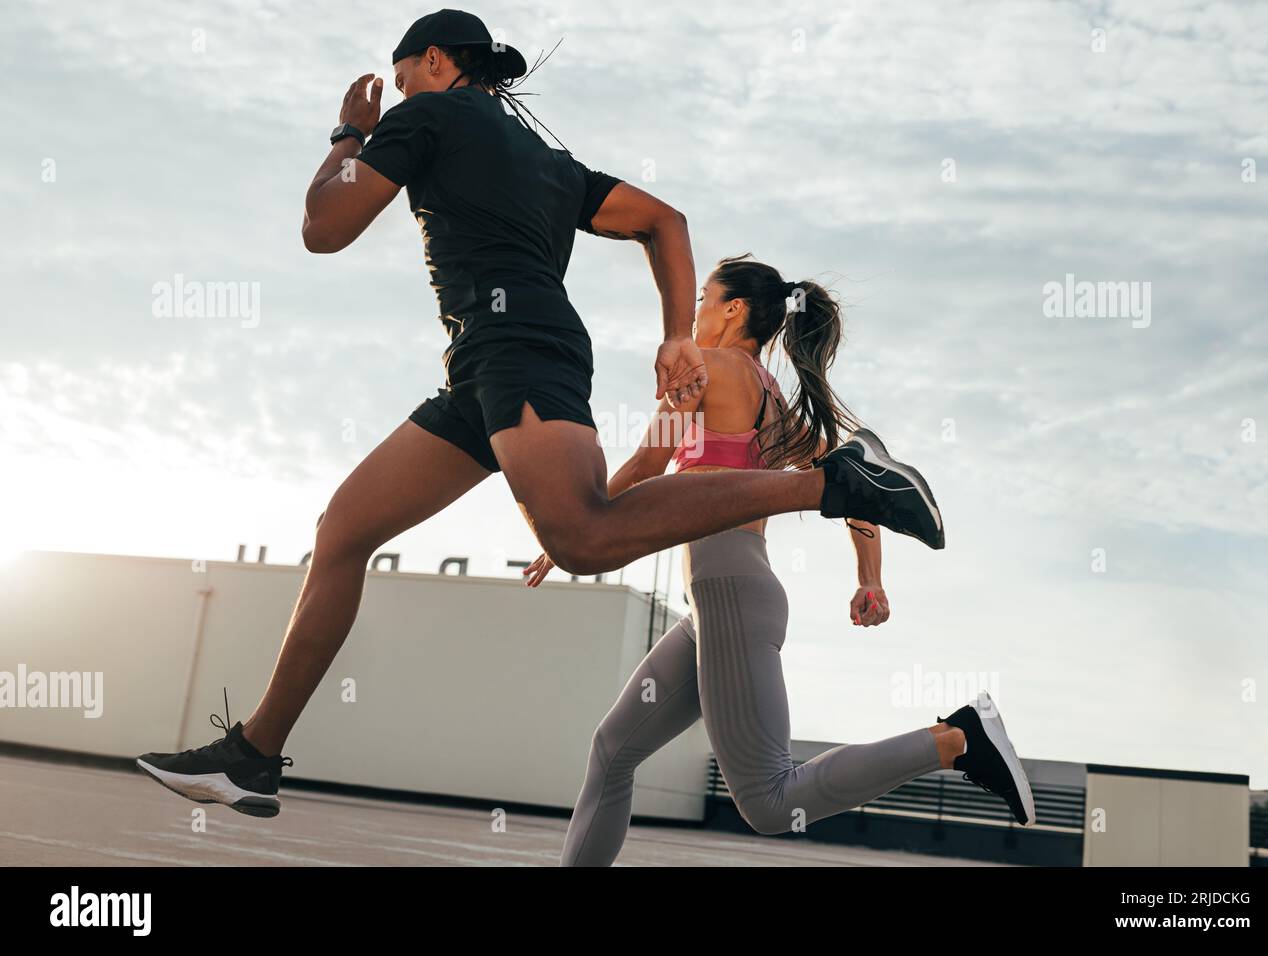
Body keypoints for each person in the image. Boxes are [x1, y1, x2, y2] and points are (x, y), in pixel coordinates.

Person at [135, 11, 943, 818]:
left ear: (439, 62)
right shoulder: (548, 160)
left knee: (584, 537)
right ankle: (254, 755)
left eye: (406, 70)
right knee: (342, 531)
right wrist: (672, 335)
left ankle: (831, 484)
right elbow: (666, 222)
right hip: (480, 370)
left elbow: (323, 228)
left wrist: (349, 133)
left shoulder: (424, 116)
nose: (402, 87)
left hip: (518, 351)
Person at [536, 257, 1033, 865]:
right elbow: (855, 487)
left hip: (729, 590)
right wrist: (869, 580)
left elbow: (646, 465)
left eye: (702, 299)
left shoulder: (708, 369)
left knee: (770, 801)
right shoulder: (775, 401)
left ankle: (957, 740)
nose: (693, 312)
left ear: (733, 310)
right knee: (613, 750)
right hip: (721, 602)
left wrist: (570, 532)